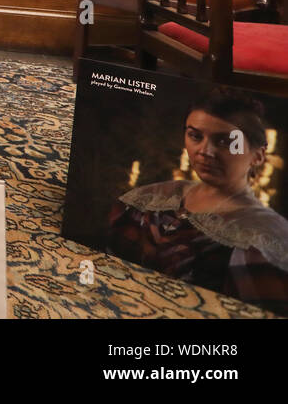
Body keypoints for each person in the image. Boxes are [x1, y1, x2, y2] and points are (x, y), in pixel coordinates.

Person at [108, 89, 288, 315]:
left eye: (225, 141)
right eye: (195, 136)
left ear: (258, 155)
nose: (205, 151)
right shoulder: (155, 195)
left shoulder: (266, 234)